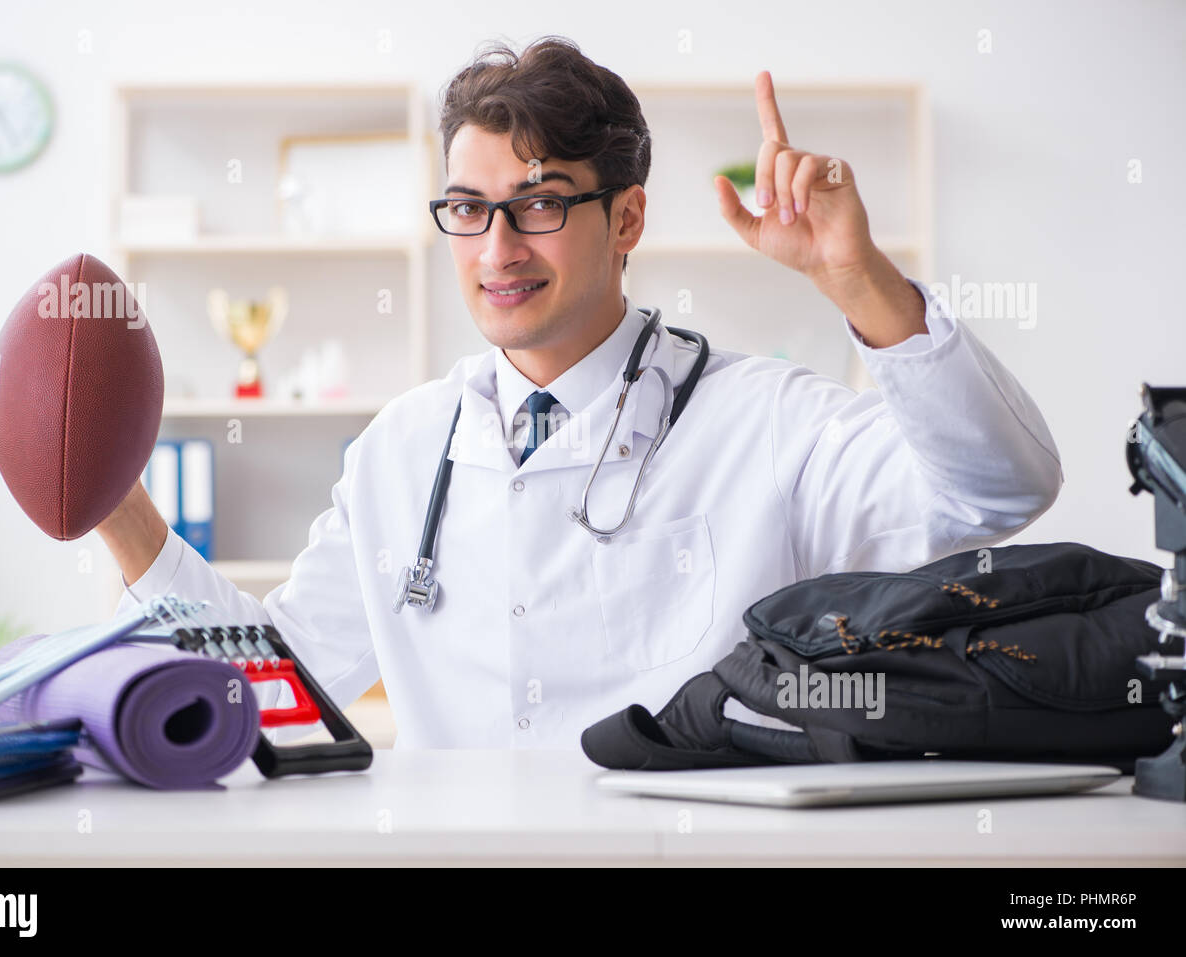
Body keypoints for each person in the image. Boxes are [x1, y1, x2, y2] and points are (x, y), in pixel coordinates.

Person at [100, 36, 1063, 749]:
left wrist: (862, 283)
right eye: (468, 210)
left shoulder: (765, 420)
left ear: (628, 215)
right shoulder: (403, 447)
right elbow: (274, 692)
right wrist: (118, 507)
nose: (497, 248)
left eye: (543, 203)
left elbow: (997, 488)